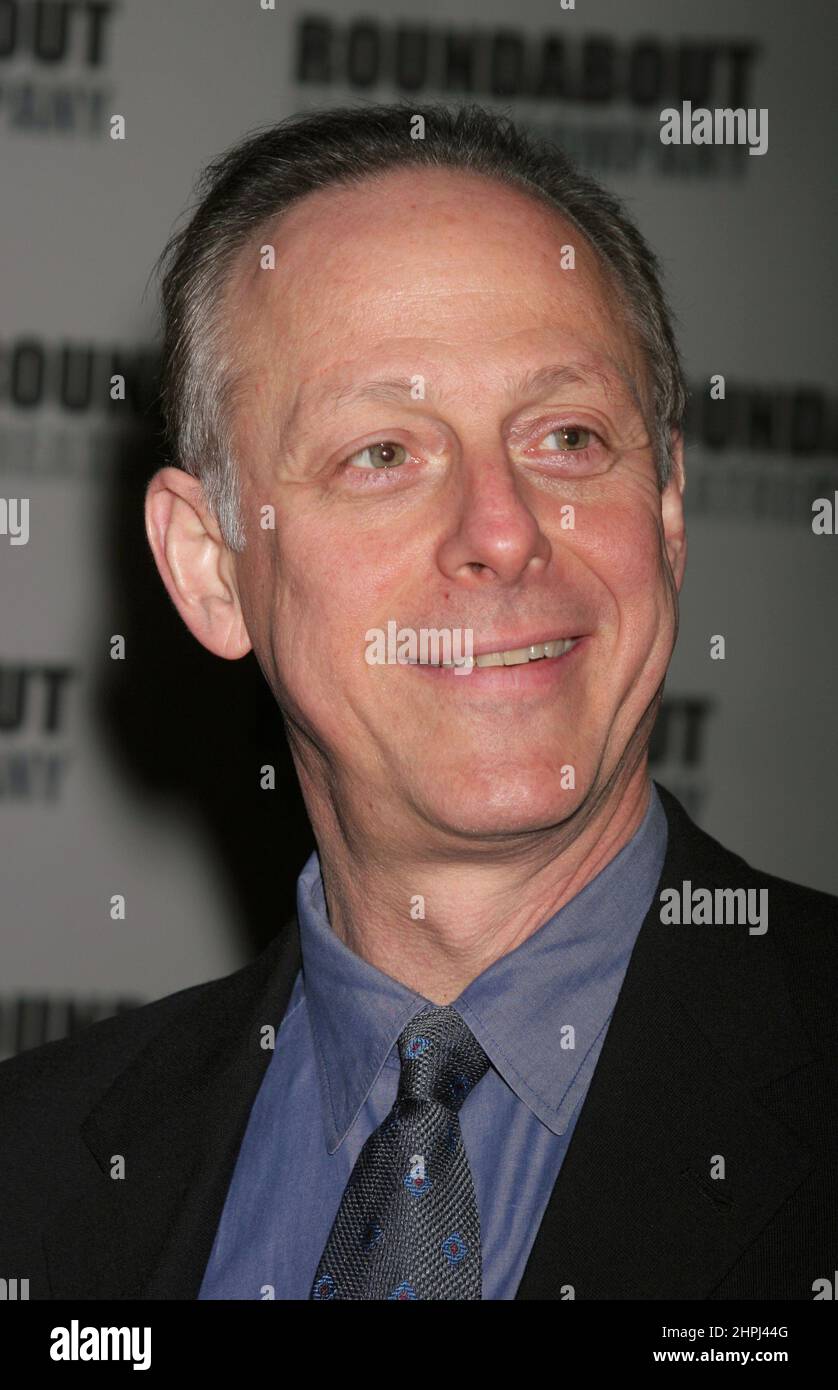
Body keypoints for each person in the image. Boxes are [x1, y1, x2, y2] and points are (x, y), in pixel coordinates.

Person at [1, 103, 835, 1301]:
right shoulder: (29, 1179)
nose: (501, 530)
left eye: (566, 435)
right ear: (208, 565)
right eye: (382, 453)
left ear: (664, 511)